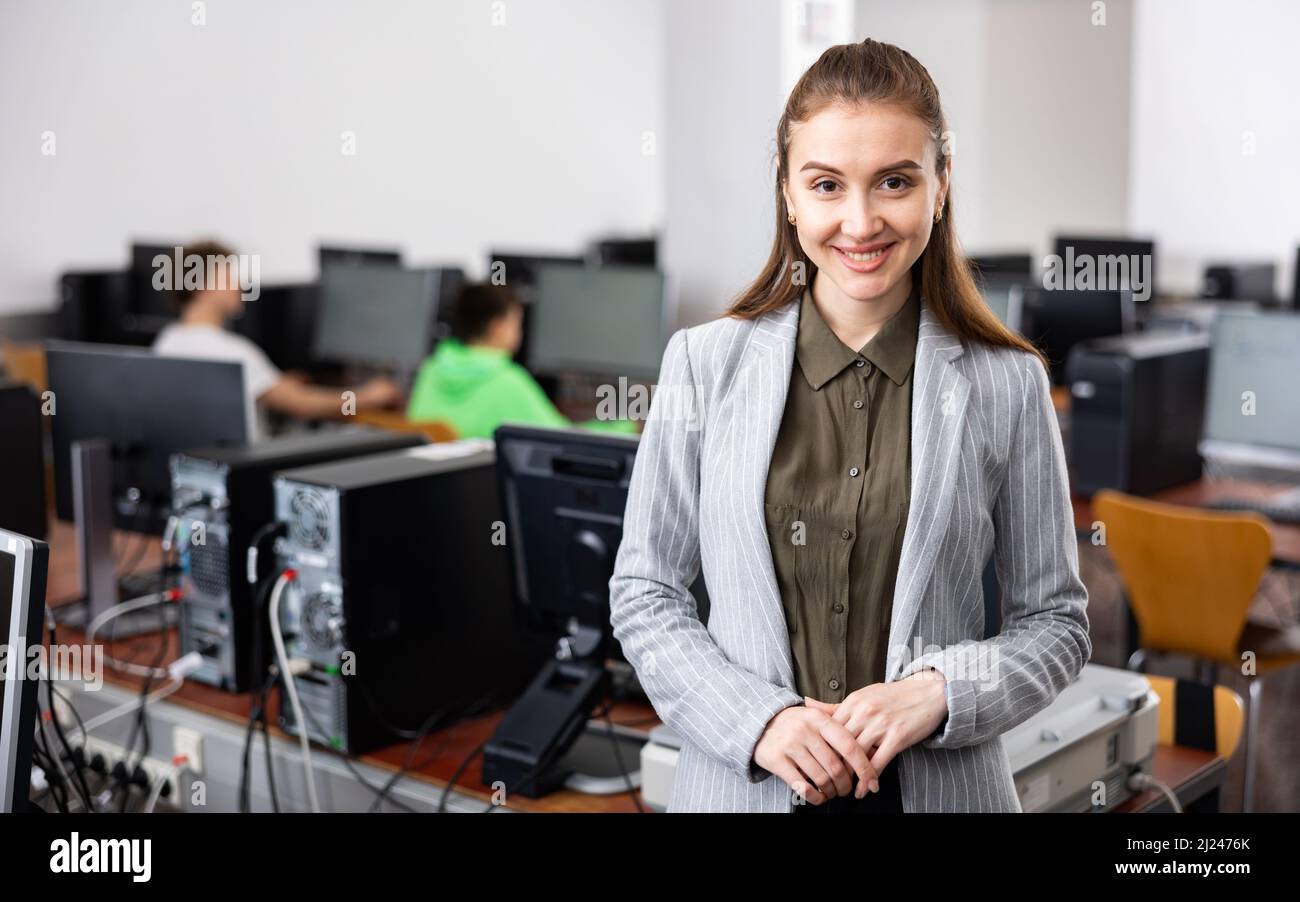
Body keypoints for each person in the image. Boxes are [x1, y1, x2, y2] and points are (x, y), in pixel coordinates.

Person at [608, 39, 1091, 813]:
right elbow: (645, 593)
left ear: (940, 186)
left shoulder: (1009, 384)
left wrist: (940, 693)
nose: (859, 221)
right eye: (827, 184)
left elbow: (1057, 626)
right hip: (743, 788)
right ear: (789, 192)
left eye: (894, 181)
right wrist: (757, 721)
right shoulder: (702, 363)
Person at [152, 240, 401, 440]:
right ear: (202, 285)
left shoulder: (167, 341)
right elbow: (304, 406)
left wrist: (273, 384)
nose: (239, 284)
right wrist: (366, 397)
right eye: (228, 276)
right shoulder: (232, 353)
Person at [405, 282, 637, 438]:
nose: (520, 332)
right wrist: (627, 426)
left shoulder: (431, 369)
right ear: (498, 329)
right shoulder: (507, 381)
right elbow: (565, 439)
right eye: (517, 324)